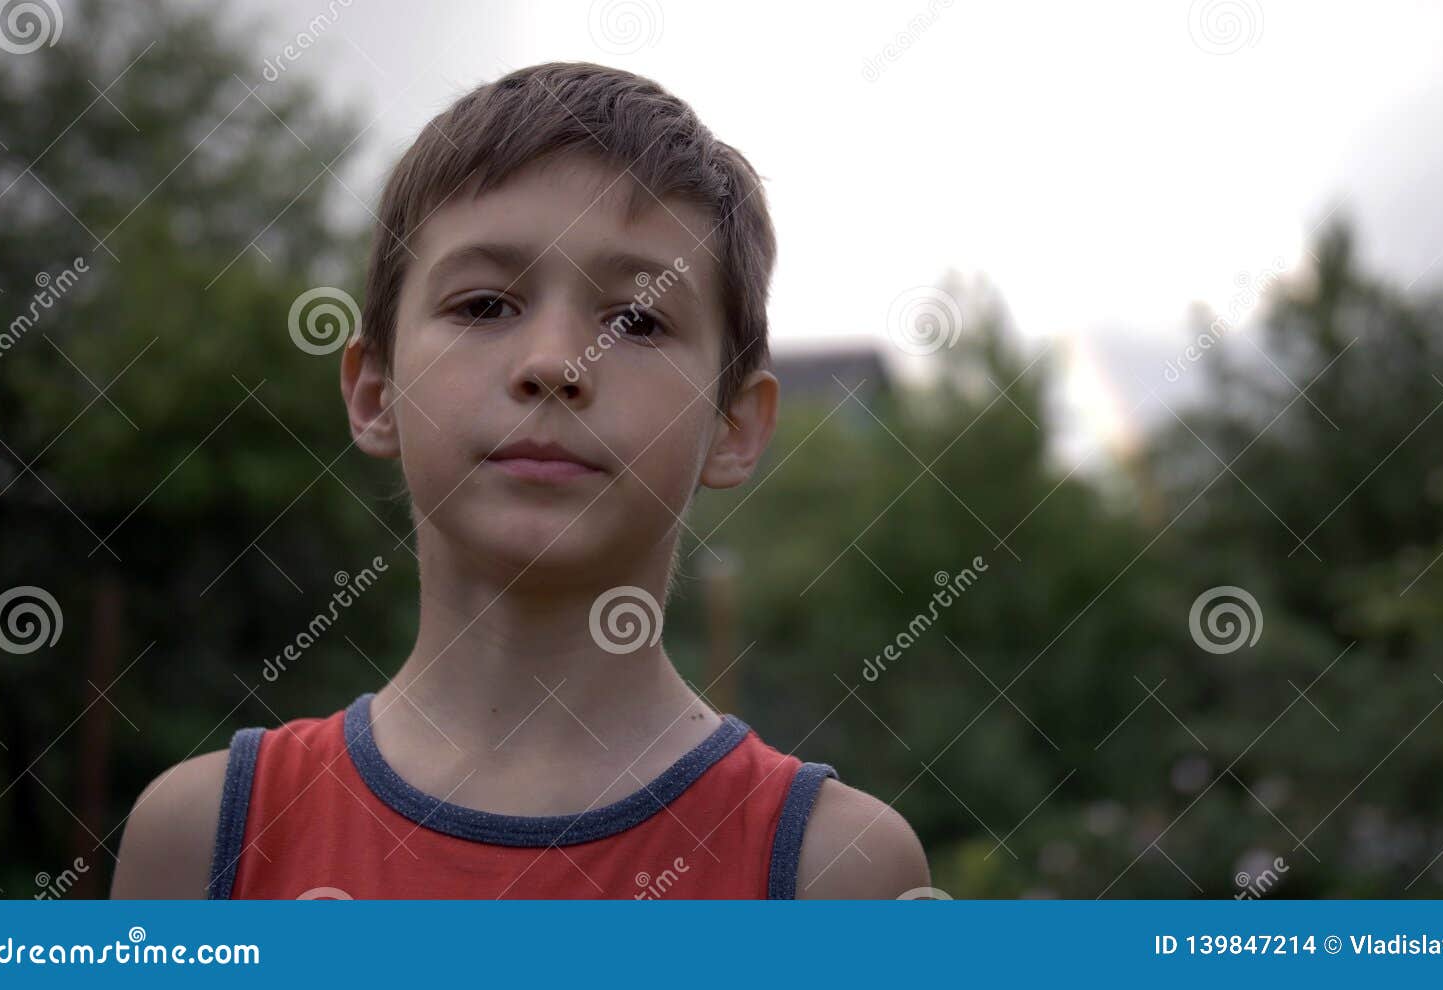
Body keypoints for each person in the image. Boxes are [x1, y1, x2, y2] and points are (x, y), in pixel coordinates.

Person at [110, 62, 929, 899]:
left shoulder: (836, 870)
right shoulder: (206, 839)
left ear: (735, 425)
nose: (555, 363)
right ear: (372, 392)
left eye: (637, 319)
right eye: (483, 305)